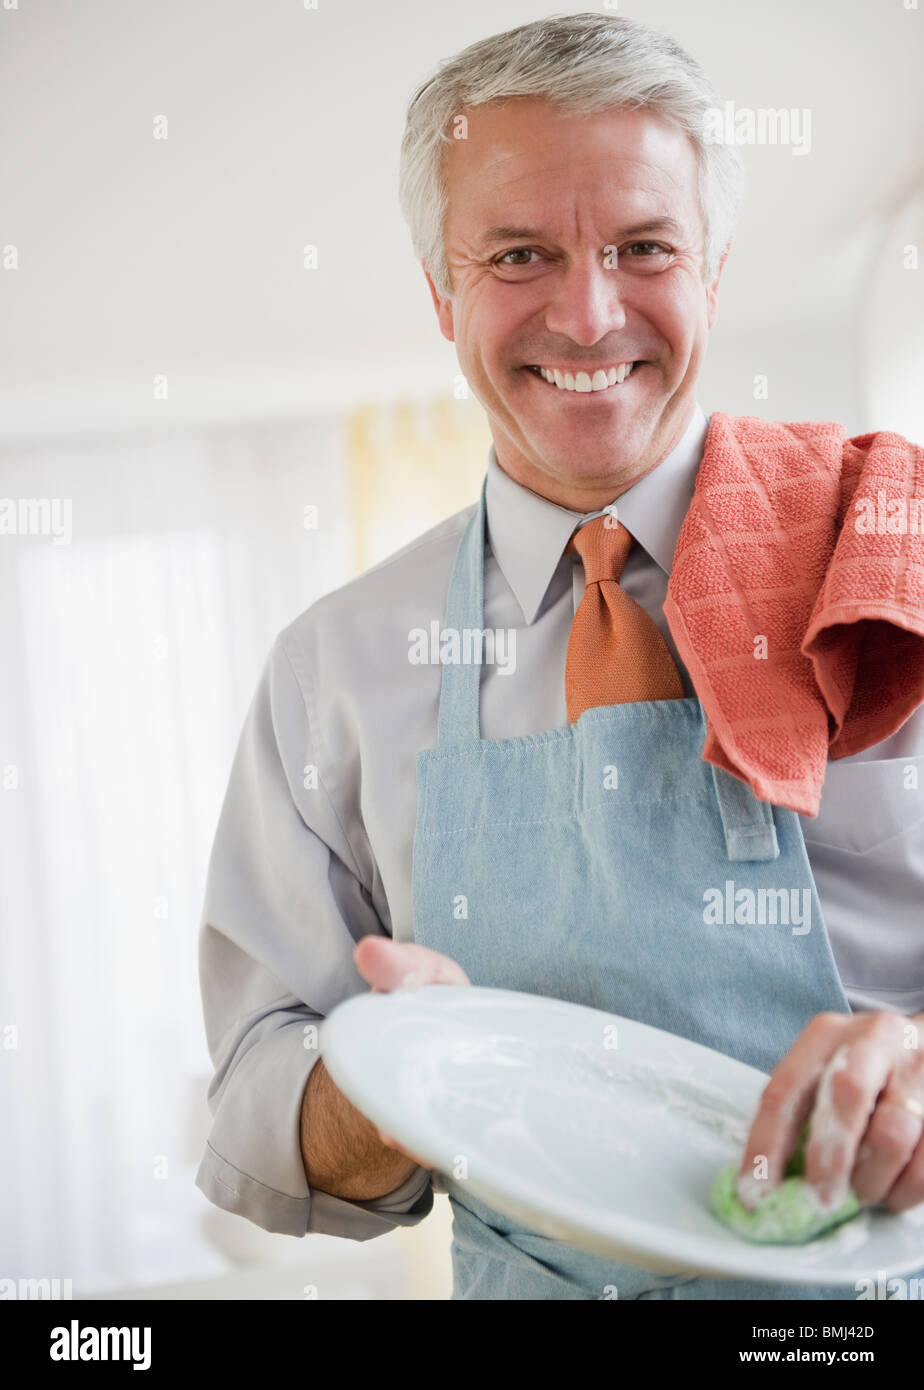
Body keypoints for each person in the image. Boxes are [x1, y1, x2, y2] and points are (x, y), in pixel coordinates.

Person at [195, 13, 924, 1299]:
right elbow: (258, 1095)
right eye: (521, 253)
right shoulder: (335, 670)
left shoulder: (892, 559)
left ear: (715, 269)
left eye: (644, 247)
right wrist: (388, 1084)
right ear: (442, 292)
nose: (588, 317)